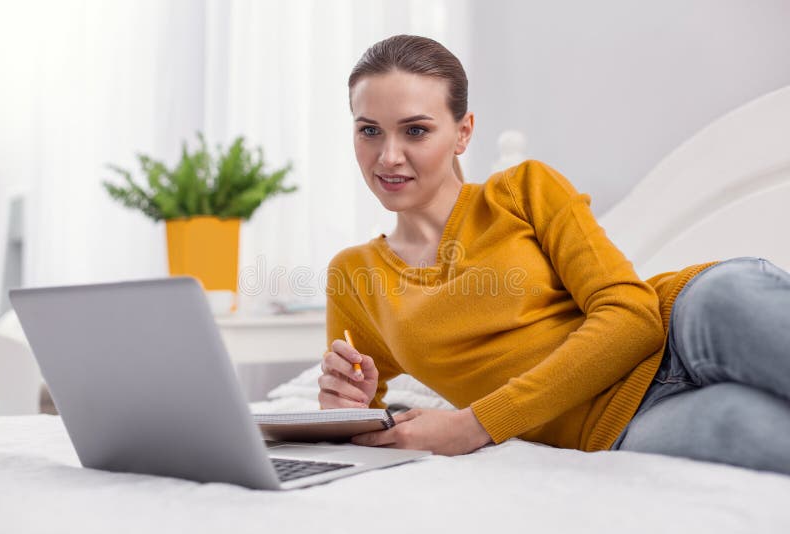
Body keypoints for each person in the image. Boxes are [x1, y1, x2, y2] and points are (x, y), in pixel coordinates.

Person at [318, 34, 790, 475]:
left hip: (684, 326)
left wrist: (475, 424)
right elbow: (362, 419)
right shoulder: (355, 275)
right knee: (745, 428)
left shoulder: (524, 190)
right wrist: (343, 410)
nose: (388, 157)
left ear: (463, 133)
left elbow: (633, 315)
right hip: (620, 424)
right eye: (370, 131)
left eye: (416, 131)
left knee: (729, 295)